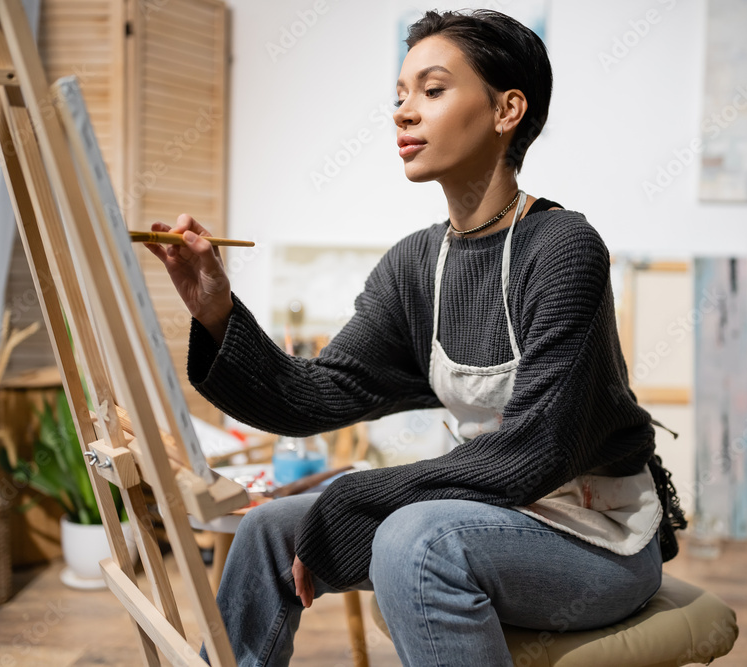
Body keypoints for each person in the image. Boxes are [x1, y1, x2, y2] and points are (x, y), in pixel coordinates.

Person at [146, 9, 686, 666]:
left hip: (597, 537)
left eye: (431, 90)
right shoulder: (414, 267)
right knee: (265, 529)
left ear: (507, 108)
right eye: (399, 96)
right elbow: (314, 394)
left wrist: (353, 495)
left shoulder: (564, 249)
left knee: (416, 538)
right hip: (476, 513)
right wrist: (217, 312)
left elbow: (536, 450)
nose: (404, 113)